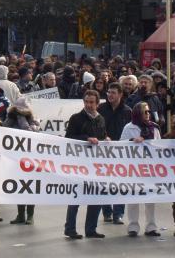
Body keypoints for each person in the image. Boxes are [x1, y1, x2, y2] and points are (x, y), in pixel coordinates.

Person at [64, 90, 107, 240]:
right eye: (86, 102)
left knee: (96, 197)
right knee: (76, 197)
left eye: (91, 102)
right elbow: (68, 138)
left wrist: (105, 138)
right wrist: (86, 138)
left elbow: (101, 136)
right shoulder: (76, 118)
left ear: (97, 103)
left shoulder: (101, 119)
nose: (88, 105)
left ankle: (91, 229)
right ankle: (70, 229)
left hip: (96, 165)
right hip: (79, 164)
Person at [122, 100, 161, 237]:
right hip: (134, 168)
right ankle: (133, 226)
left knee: (150, 198)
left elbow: (159, 147)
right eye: (145, 111)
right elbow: (120, 146)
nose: (148, 114)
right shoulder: (129, 127)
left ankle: (151, 226)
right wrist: (132, 142)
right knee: (133, 198)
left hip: (150, 168)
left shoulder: (154, 128)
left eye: (149, 111)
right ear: (138, 113)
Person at [99, 82, 132, 226]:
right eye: (109, 92)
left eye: (113, 92)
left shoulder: (127, 111)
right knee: (104, 183)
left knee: (120, 184)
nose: (110, 95)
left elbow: (132, 130)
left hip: (121, 153)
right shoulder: (101, 109)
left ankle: (118, 214)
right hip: (104, 151)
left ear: (120, 95)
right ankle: (107, 212)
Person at [4, 96, 38, 225]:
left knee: (29, 187)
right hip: (15, 158)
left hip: (30, 158)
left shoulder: (33, 119)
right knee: (18, 186)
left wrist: (22, 118)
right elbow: (4, 129)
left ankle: (30, 215)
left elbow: (30, 132)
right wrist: (12, 117)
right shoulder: (11, 118)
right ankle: (20, 214)